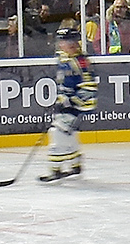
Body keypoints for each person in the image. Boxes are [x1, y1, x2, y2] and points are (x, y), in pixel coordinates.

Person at [42, 34, 98, 183]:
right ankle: (75, 164)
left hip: (79, 105)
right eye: (66, 41)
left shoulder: (81, 62)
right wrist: (61, 100)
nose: (71, 44)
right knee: (67, 132)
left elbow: (89, 87)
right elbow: (64, 84)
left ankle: (55, 169)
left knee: (58, 131)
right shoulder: (63, 59)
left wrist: (71, 101)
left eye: (73, 41)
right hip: (69, 103)